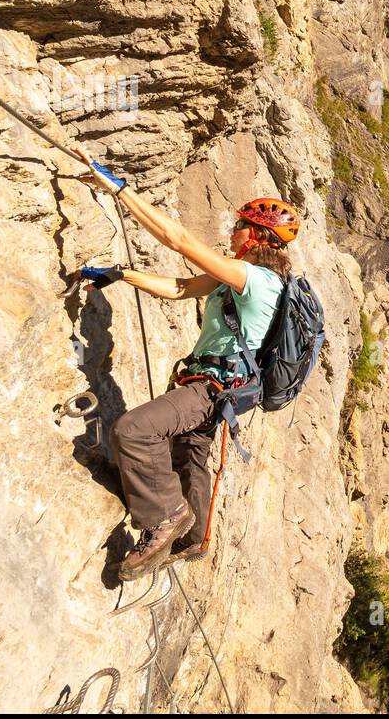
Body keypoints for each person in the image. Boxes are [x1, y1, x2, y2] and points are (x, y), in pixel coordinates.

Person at [71, 148, 300, 580]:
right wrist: (122, 276)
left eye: (238, 227)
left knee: (135, 431)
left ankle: (165, 519)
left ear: (254, 236)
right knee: (189, 456)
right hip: (223, 387)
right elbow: (180, 288)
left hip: (211, 387)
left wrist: (120, 190)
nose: (231, 233)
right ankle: (191, 539)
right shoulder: (249, 279)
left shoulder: (252, 277)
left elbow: (179, 241)